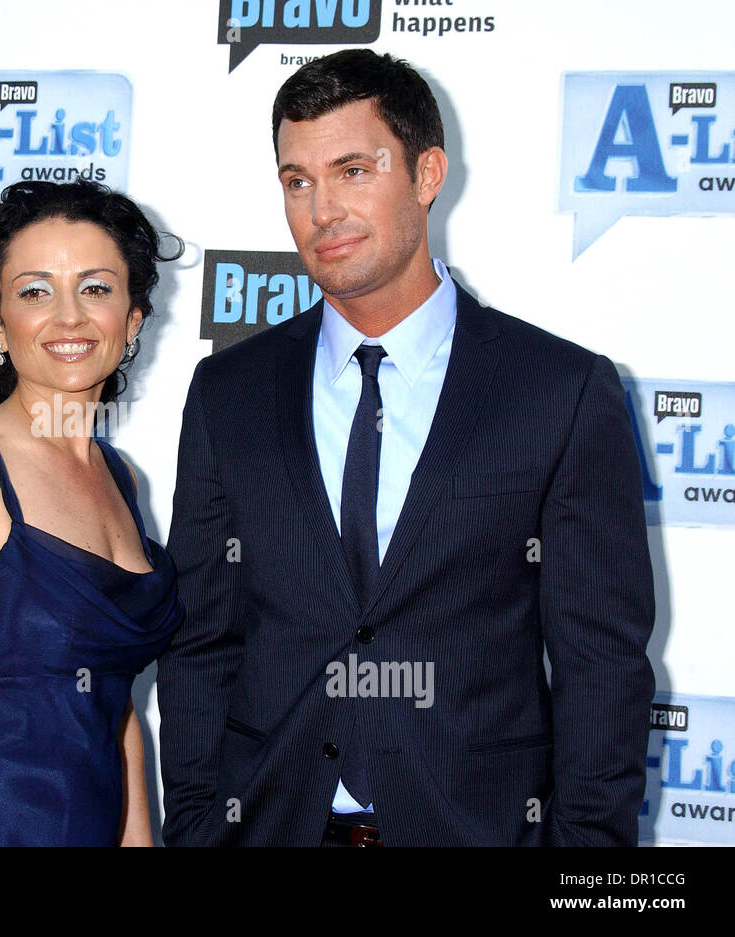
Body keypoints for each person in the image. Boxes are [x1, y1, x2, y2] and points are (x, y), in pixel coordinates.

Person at [158, 50, 655, 846]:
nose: (322, 209)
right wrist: (193, 828)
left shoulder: (557, 391)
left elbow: (602, 668)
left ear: (427, 173)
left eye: (353, 170)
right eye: (297, 180)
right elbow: (200, 645)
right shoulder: (230, 392)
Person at [0, 180, 184, 846]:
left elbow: (118, 709)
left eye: (97, 288)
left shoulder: (123, 478)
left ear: (133, 320)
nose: (69, 318)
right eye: (35, 291)